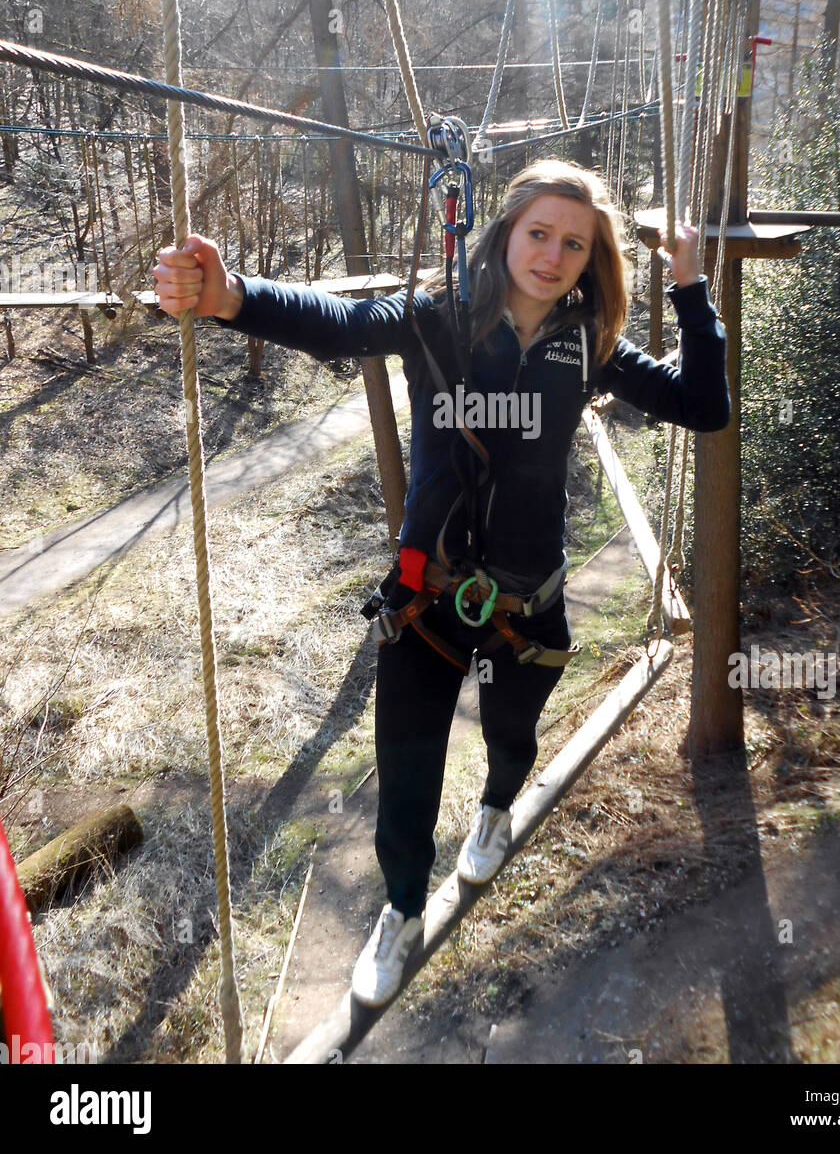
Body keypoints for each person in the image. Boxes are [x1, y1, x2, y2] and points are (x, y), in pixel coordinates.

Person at [153, 158, 730, 1007]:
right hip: (425, 597)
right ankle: (401, 907)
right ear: (504, 237)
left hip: (526, 599)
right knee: (408, 769)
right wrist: (229, 293)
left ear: (589, 258)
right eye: (538, 232)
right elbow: (342, 325)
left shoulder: (590, 344)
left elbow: (704, 405)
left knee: (512, 736)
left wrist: (689, 287)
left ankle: (496, 810)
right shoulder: (437, 321)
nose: (553, 254)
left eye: (574, 242)